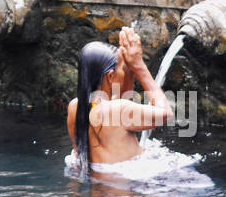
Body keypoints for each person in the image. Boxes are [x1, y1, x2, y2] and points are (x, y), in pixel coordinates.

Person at [67, 26, 173, 168]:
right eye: (122, 69)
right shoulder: (118, 110)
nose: (124, 72)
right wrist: (139, 66)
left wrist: (129, 70)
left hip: (99, 188)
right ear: (110, 76)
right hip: (131, 187)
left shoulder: (75, 107)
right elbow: (165, 114)